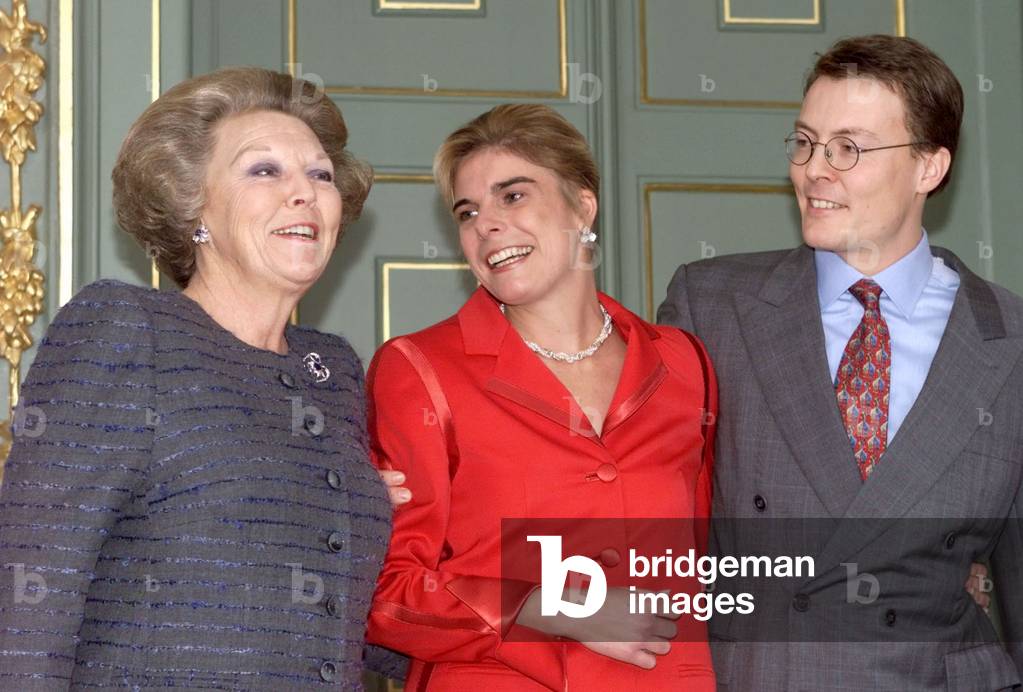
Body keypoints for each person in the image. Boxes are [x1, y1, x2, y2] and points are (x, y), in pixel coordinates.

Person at [0, 67, 405, 688]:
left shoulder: (334, 370)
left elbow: (360, 618)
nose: (305, 192)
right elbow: (29, 594)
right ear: (194, 205)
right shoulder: (129, 328)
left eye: (320, 174)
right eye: (264, 170)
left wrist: (570, 616)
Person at [658, 34, 1022, 691]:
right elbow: (631, 492)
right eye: (804, 143)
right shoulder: (711, 307)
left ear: (927, 168)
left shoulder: (1010, 342)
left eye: (847, 148)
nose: (813, 170)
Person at [365, 104, 717, 690]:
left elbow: (707, 566)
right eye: (468, 211)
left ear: (583, 206)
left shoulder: (686, 362)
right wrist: (545, 606)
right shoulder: (419, 369)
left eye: (513, 196)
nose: (487, 225)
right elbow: (386, 591)